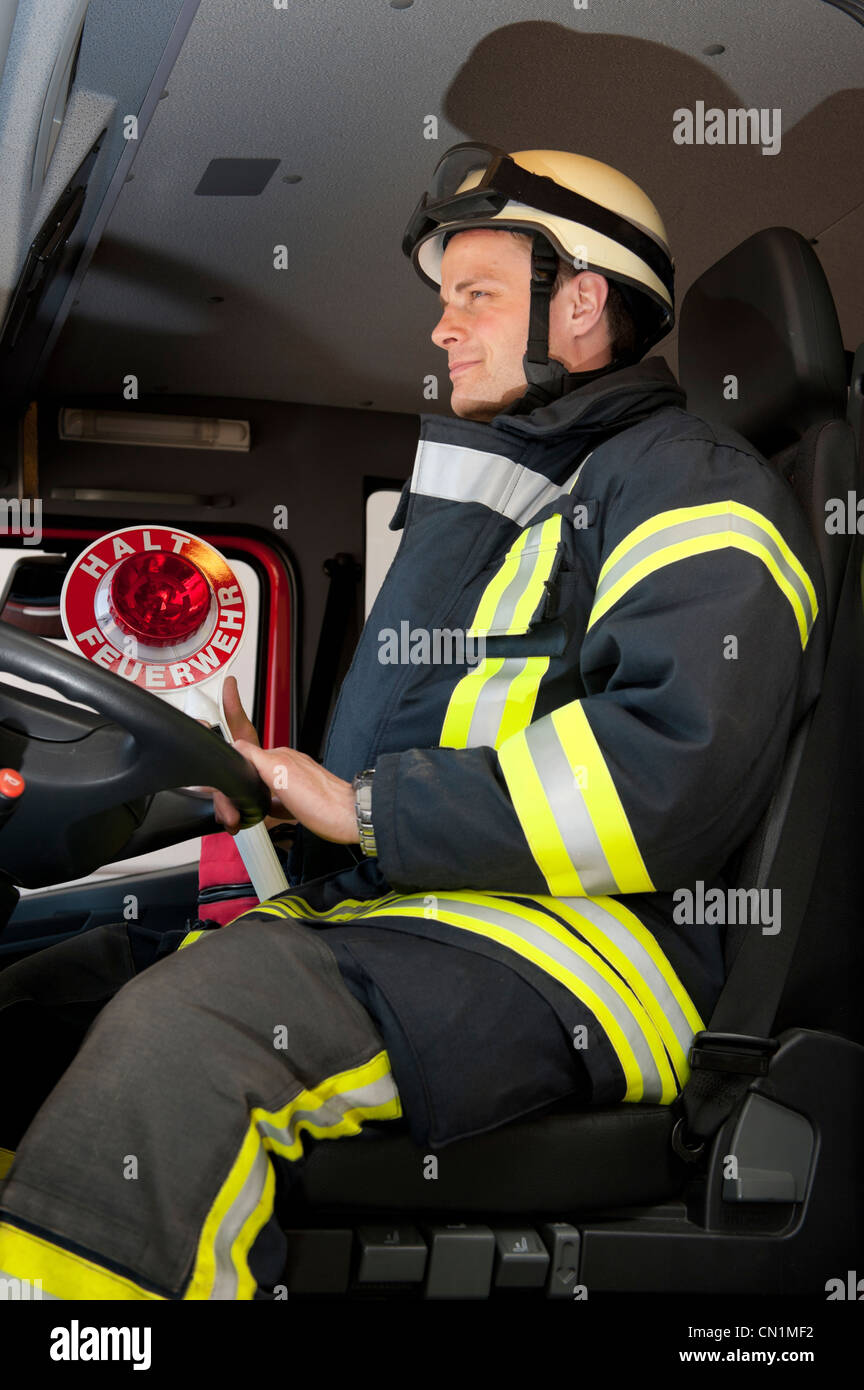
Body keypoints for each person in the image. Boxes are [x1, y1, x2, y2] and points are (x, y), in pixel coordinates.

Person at [0, 144, 824, 1300]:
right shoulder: (547, 486)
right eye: (444, 302)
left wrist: (371, 805)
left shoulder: (690, 480)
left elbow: (667, 768)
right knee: (45, 991)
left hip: (595, 957)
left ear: (581, 301)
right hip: (454, 911)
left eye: (474, 294)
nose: (442, 329)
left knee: (193, 1026)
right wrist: (286, 793)